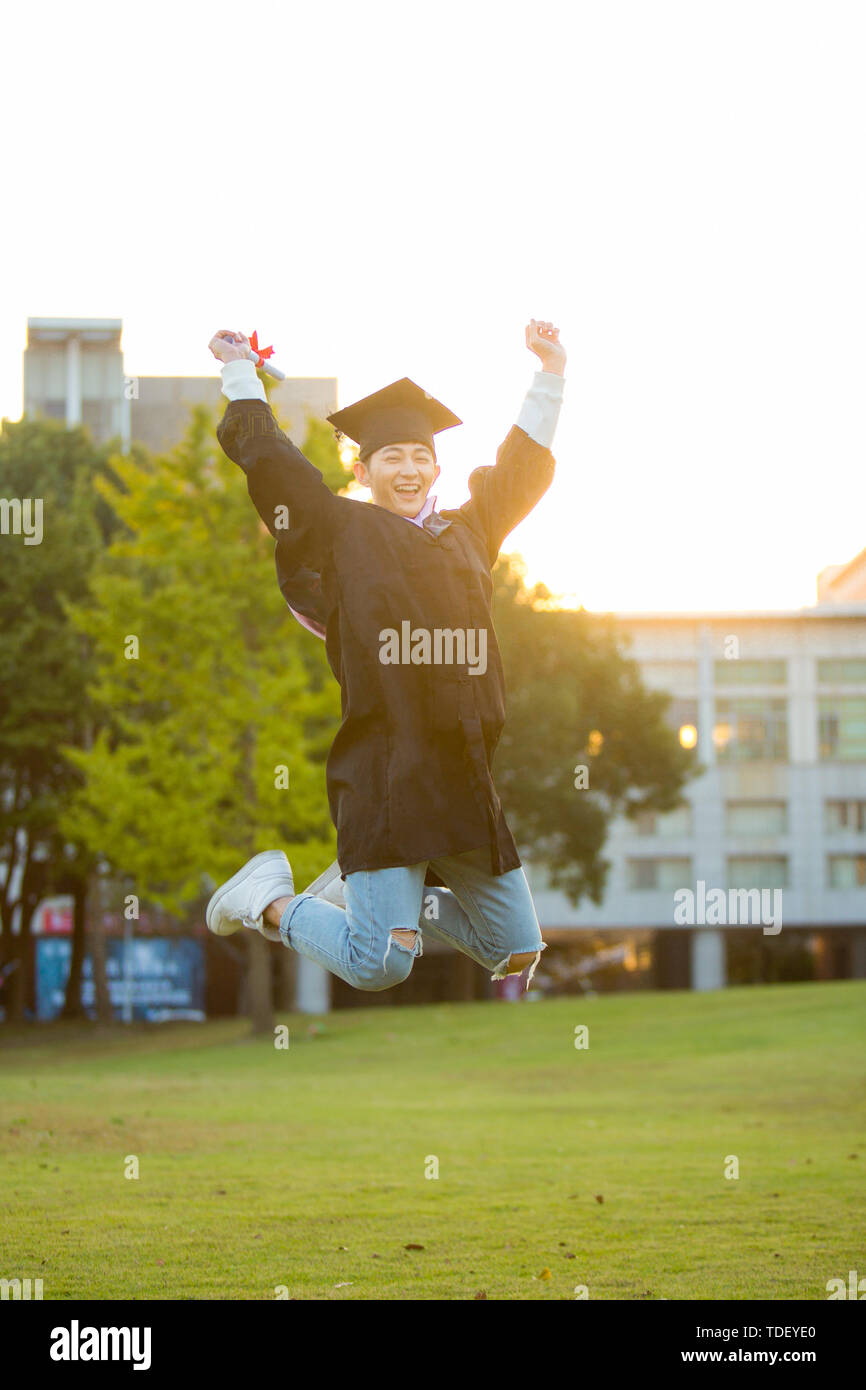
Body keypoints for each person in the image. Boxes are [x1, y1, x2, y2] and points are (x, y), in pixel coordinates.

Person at [205, 319, 566, 995]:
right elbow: (274, 465)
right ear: (362, 469)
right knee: (379, 964)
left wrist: (550, 372)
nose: (407, 470)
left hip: (463, 775)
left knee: (516, 951)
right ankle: (267, 900)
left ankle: (393, 897)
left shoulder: (469, 531)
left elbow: (520, 469)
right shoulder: (340, 531)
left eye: (419, 457)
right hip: (388, 773)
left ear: (437, 466)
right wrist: (239, 374)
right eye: (390, 458)